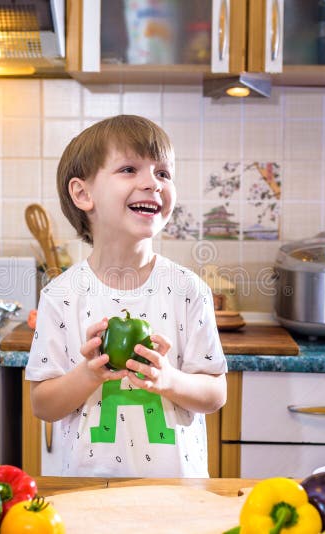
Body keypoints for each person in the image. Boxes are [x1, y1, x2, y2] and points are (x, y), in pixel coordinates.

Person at [25, 115, 227, 478]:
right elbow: (42, 404)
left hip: (176, 493)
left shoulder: (187, 289)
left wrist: (168, 379)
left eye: (163, 173)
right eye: (130, 169)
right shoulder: (61, 295)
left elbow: (215, 393)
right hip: (88, 489)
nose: (152, 183)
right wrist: (88, 374)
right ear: (83, 193)